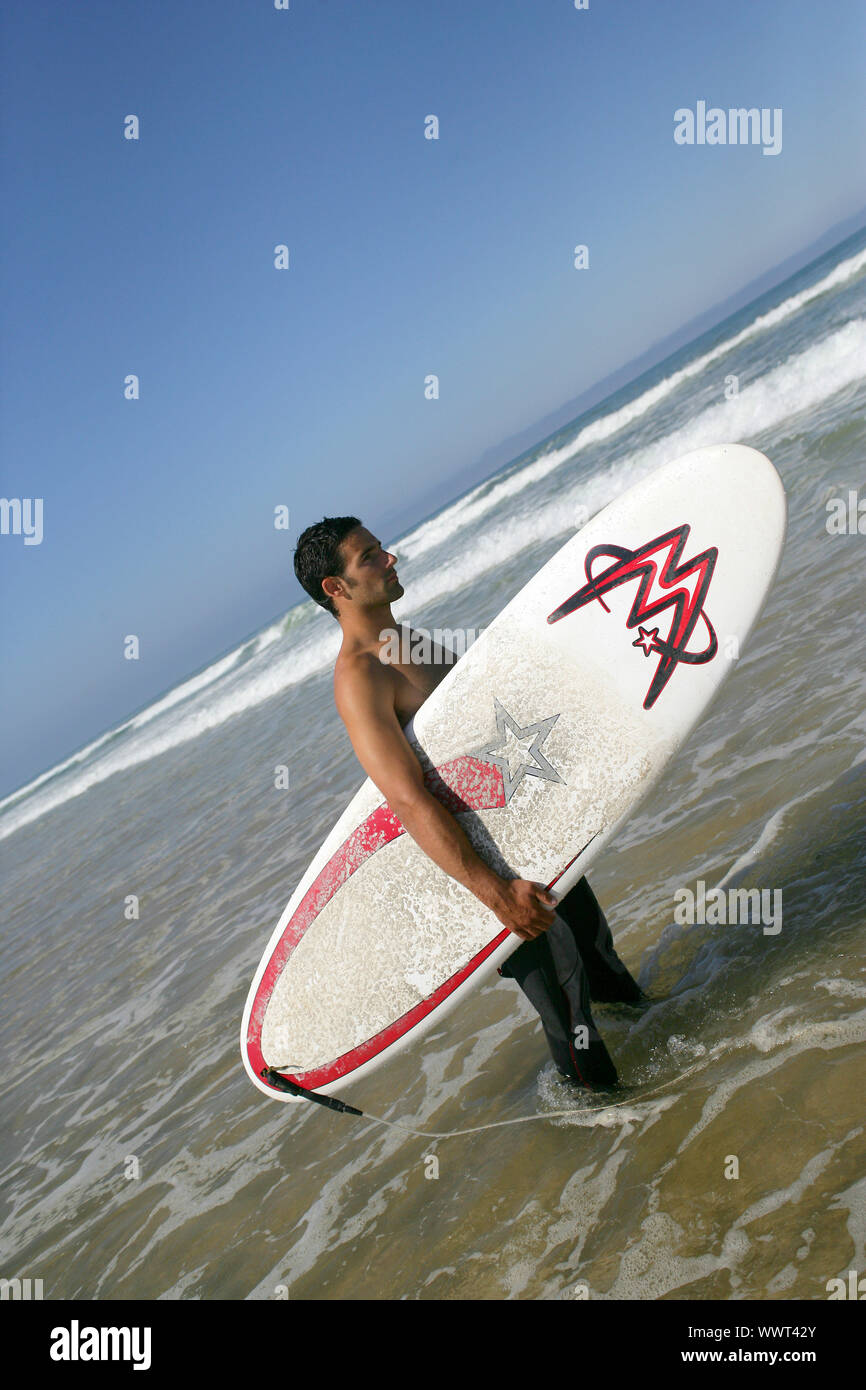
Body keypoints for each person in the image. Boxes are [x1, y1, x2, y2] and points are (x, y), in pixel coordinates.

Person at [293, 515, 645, 1091]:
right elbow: (407, 800)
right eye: (370, 557)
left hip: (534, 844)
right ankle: (615, 1130)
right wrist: (497, 894)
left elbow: (498, 732)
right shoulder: (359, 678)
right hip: (489, 870)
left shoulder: (409, 642)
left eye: (383, 549)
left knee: (604, 967)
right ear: (336, 588)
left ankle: (673, 1079)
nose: (390, 560)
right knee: (568, 1012)